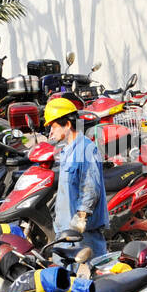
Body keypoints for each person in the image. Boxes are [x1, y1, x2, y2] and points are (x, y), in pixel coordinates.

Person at [44, 97, 108, 258]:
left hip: (83, 229)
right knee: (62, 278)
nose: (50, 132)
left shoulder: (86, 149)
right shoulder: (66, 151)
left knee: (97, 272)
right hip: (65, 228)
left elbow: (90, 187)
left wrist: (81, 218)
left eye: (53, 126)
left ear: (67, 124)